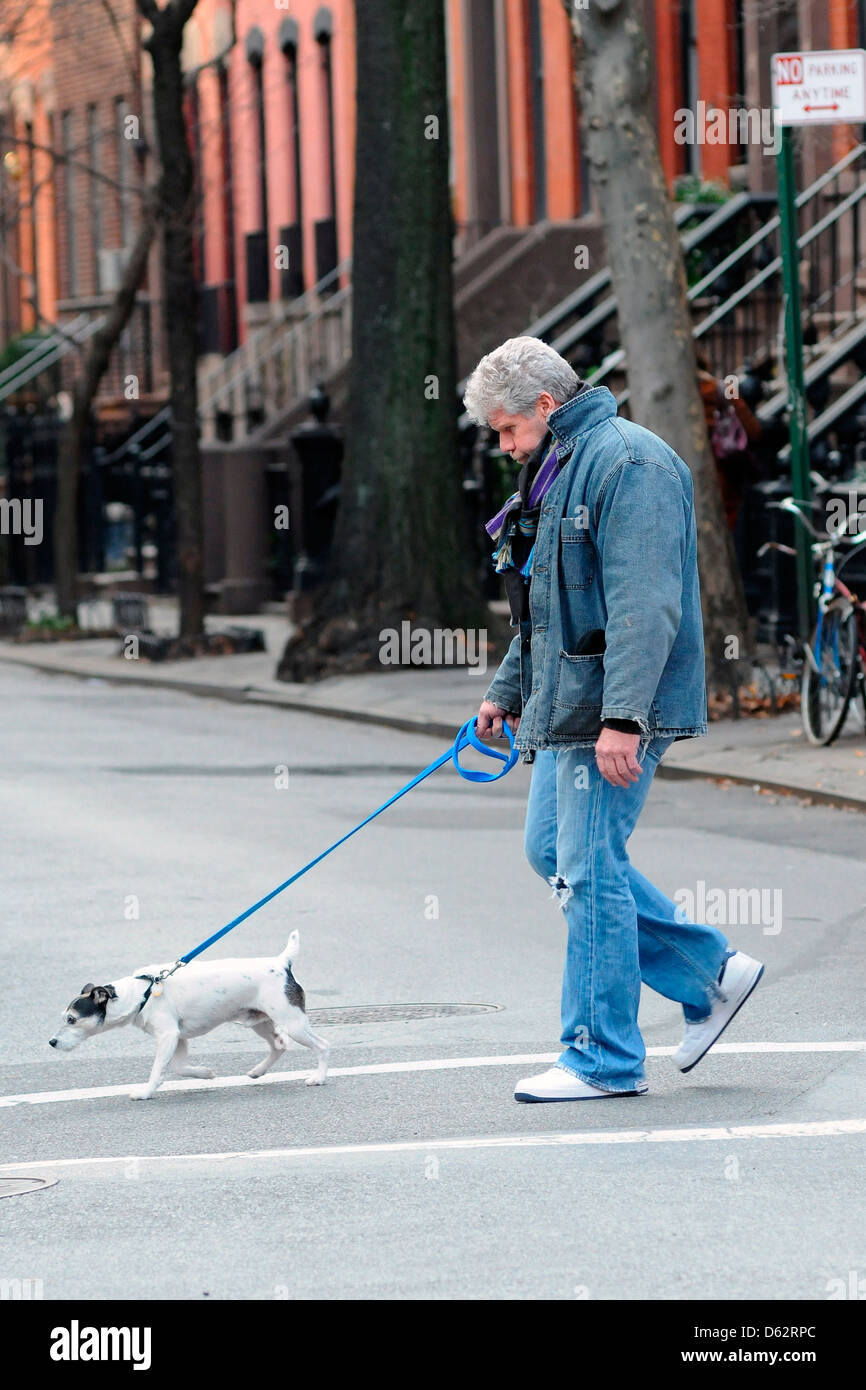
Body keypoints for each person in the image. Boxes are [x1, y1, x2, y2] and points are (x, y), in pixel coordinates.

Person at [464, 336, 763, 1102]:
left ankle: (601, 1058)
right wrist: (506, 691)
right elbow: (545, 607)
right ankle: (710, 973)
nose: (503, 447)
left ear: (544, 403)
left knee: (588, 870)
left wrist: (625, 718)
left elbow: (645, 604)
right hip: (572, 706)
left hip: (612, 709)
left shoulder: (629, 464)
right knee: (553, 854)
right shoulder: (560, 464)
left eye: (506, 430)